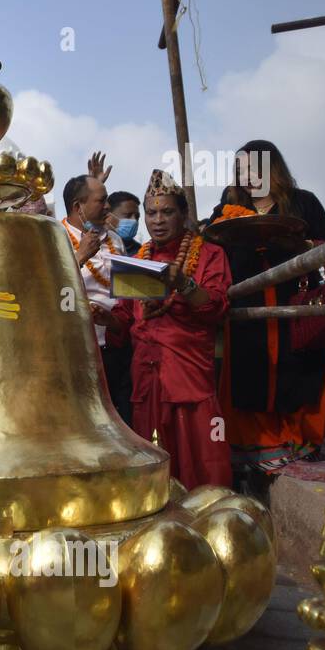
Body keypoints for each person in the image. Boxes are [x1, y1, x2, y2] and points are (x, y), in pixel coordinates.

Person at [209, 140, 325, 480]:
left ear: (272, 169)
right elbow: (209, 245)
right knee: (249, 373)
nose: (246, 176)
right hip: (246, 308)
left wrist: (297, 245)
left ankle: (300, 445)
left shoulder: (303, 202)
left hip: (294, 300)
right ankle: (254, 452)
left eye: (254, 168)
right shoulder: (228, 205)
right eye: (240, 169)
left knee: (300, 370)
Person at [98, 172, 232, 489]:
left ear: (184, 214)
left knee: (203, 461)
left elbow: (216, 307)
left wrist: (183, 284)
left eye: (167, 212)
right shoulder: (138, 260)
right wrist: (106, 318)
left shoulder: (211, 255)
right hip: (146, 380)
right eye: (152, 213)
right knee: (153, 465)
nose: (158, 220)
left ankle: (208, 524)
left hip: (189, 377)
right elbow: (126, 320)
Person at [61, 152, 130, 423]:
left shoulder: (115, 240)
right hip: (76, 352)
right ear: (79, 207)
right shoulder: (55, 237)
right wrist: (79, 258)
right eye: (101, 201)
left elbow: (125, 293)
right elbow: (44, 291)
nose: (108, 207)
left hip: (115, 347)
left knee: (122, 421)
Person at [107, 190, 142, 255]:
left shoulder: (141, 252)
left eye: (137, 217)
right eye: (128, 215)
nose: (134, 220)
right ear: (108, 216)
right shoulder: (94, 245)